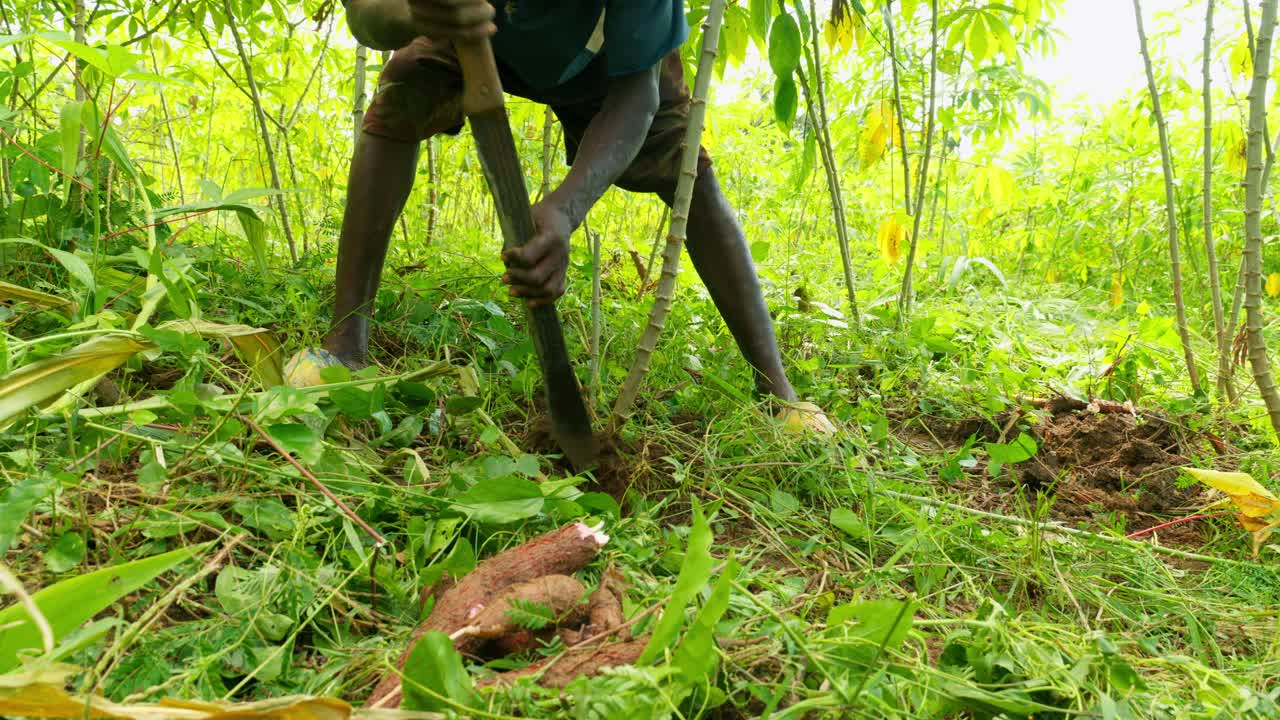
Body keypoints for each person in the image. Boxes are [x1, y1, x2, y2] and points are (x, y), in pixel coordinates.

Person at [294, 0, 834, 434]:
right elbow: (366, 13)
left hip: (607, 64)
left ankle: (778, 392)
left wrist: (563, 208)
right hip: (464, 37)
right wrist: (418, 14)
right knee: (405, 88)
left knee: (683, 164)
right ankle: (347, 346)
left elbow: (637, 98)